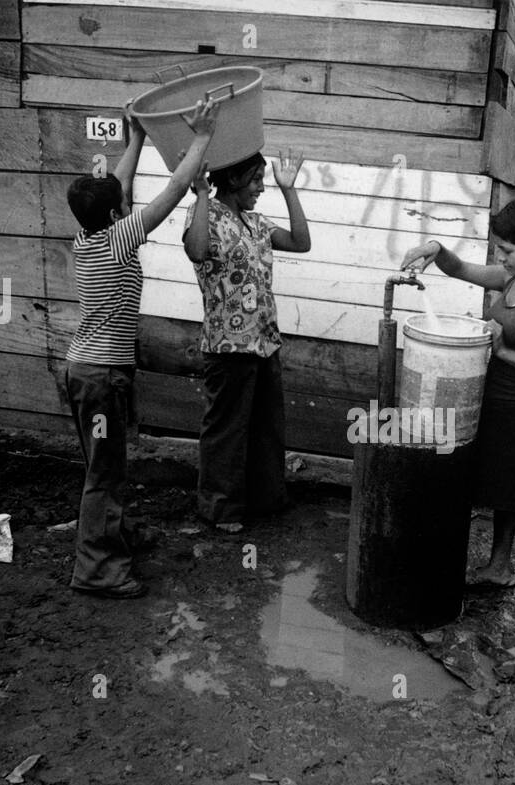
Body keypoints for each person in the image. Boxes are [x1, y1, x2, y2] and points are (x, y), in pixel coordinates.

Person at [62, 98, 218, 598]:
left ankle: (116, 535)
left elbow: (120, 189)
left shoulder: (89, 237)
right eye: (121, 204)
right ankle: (98, 570)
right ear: (116, 215)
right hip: (103, 377)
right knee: (105, 475)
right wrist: (202, 137)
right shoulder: (119, 239)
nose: (127, 202)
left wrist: (138, 137)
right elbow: (172, 193)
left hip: (83, 371)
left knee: (100, 467)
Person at [400, 196, 515, 613]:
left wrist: (505, 352)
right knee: (504, 487)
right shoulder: (513, 279)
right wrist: (435, 248)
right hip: (489, 402)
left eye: (508, 250)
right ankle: (499, 566)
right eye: (499, 249)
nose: (501, 257)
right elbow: (459, 269)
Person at [184, 150, 311, 533]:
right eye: (256, 179)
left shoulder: (256, 223)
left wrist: (290, 191)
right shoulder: (203, 214)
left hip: (264, 340)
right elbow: (197, 250)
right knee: (227, 430)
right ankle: (220, 509)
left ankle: (265, 498)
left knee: (266, 426)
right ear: (235, 179)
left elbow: (301, 242)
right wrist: (203, 195)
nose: (261, 187)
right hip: (227, 346)